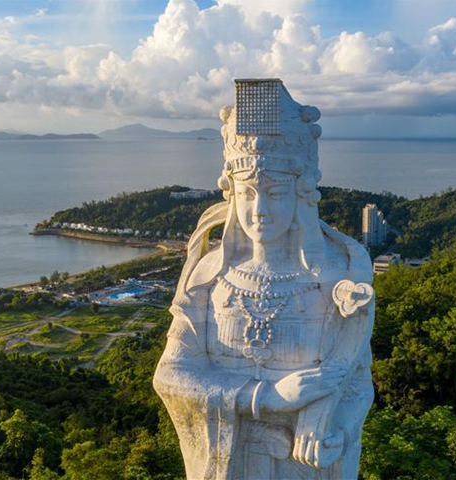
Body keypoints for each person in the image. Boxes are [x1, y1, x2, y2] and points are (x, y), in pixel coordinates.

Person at [153, 79, 374, 479]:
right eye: (248, 192)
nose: (259, 209)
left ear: (300, 192)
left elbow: (356, 382)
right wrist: (265, 398)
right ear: (231, 193)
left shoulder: (335, 282)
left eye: (275, 192)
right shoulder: (209, 280)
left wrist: (336, 431)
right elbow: (170, 375)